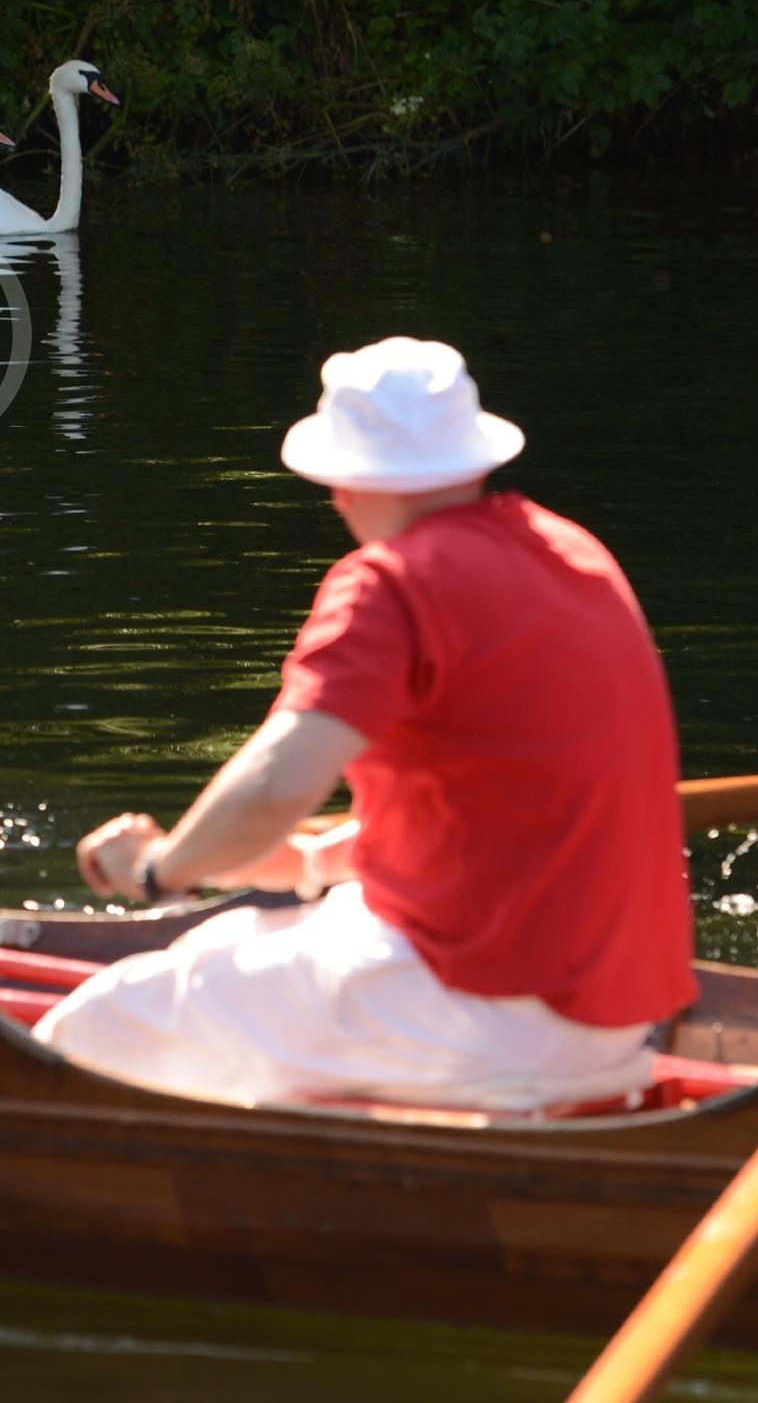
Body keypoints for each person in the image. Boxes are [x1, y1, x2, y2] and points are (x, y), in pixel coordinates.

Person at [35, 338, 697, 1111]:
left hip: (486, 1017)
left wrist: (159, 869)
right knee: (223, 945)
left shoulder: (389, 584)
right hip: (620, 1024)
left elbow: (276, 788)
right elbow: (495, 797)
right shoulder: (575, 552)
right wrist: (309, 859)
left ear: (344, 483)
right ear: (473, 457)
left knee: (102, 1020)